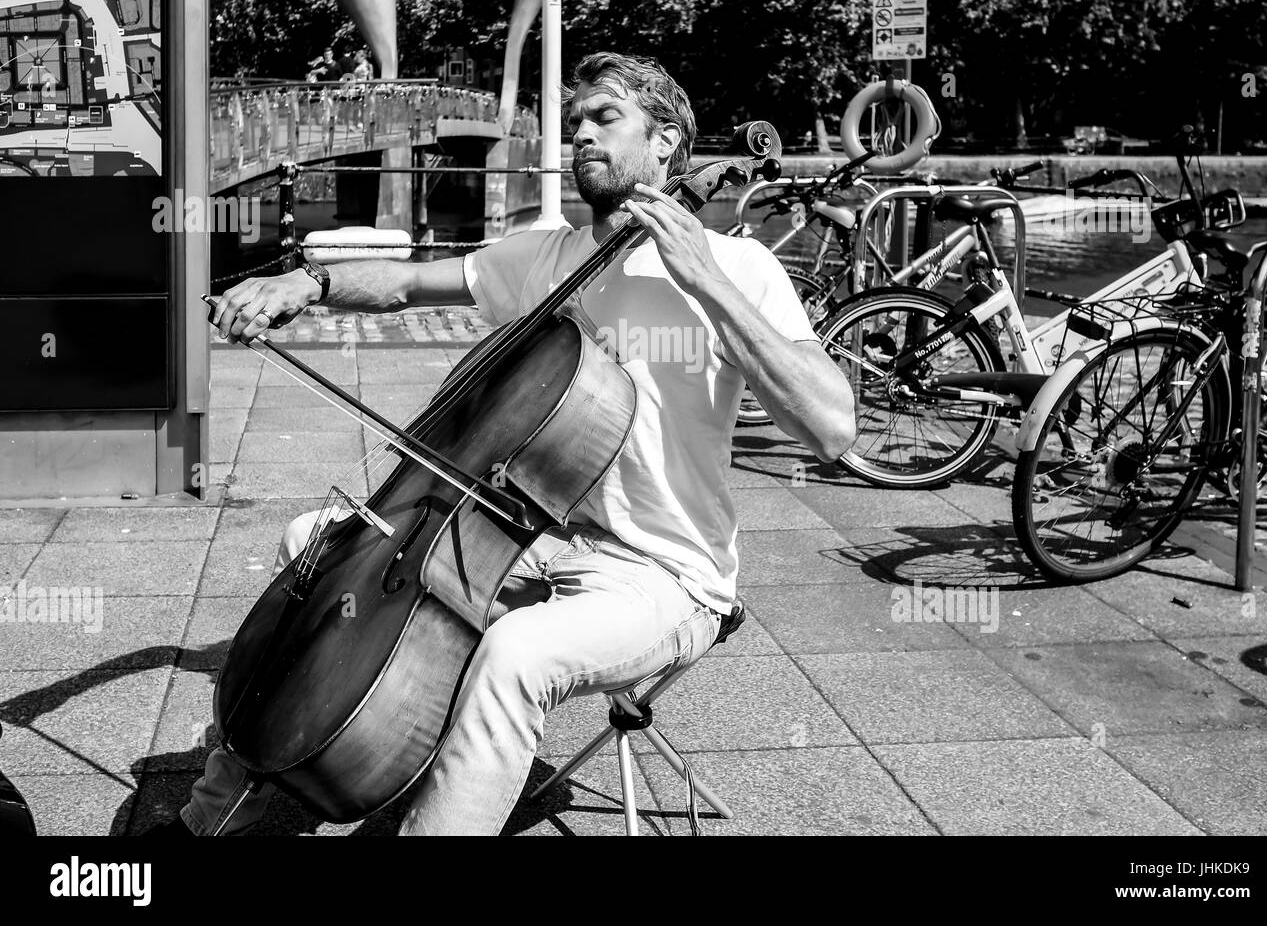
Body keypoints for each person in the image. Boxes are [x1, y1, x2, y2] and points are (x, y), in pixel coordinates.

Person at [152, 52, 855, 837]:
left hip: (664, 571)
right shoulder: (550, 255)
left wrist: (707, 281)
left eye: (604, 117)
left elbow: (831, 426)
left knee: (517, 653)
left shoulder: (737, 265)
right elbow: (410, 284)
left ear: (666, 144)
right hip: (528, 534)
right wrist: (306, 283)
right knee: (314, 546)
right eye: (576, 119)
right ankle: (205, 822)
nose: (579, 132)